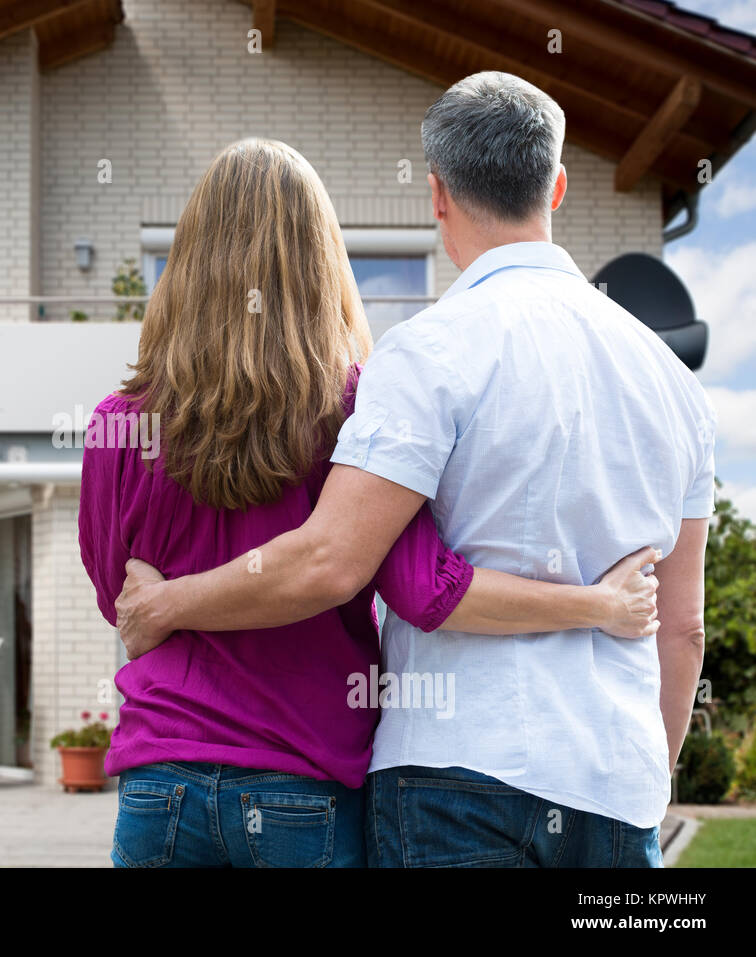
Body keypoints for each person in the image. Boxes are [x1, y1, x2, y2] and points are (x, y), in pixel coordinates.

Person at [114, 76, 716, 869]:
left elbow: (332, 558)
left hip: (452, 772)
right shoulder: (674, 382)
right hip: (612, 781)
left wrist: (164, 603)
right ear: (558, 186)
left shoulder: (428, 351)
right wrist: (648, 775)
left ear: (436, 193)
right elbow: (682, 628)